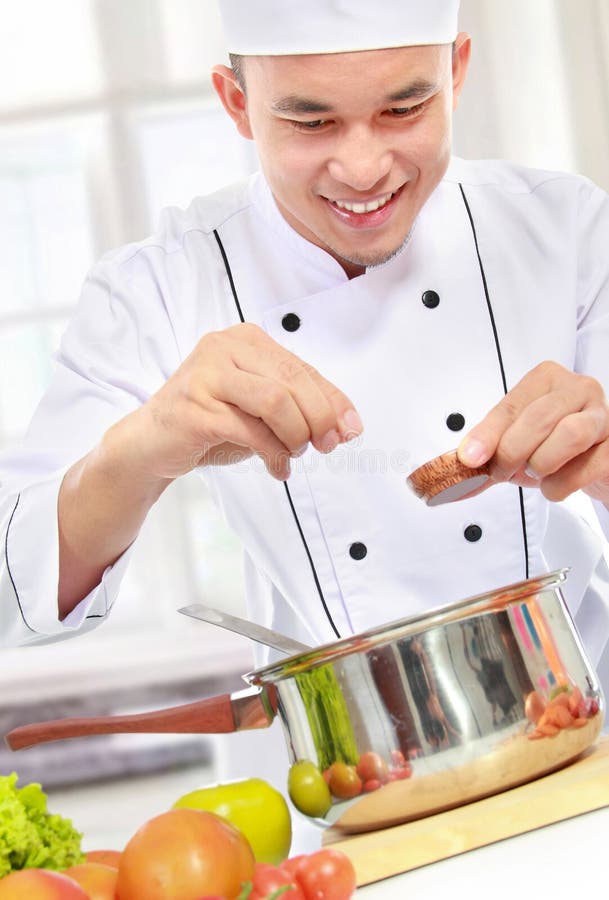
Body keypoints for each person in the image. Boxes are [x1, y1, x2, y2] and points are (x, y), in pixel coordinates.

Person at [1, 0, 608, 698]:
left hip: (592, 741)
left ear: (457, 72)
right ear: (236, 104)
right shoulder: (161, 284)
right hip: (354, 764)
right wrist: (147, 446)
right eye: (310, 122)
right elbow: (11, 594)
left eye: (404, 109)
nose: (362, 169)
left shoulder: (566, 231)